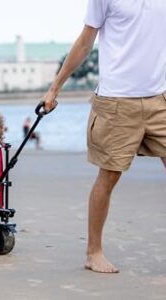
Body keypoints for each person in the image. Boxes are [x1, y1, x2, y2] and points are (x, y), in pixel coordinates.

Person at [42, 0, 166, 273]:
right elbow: (85, 43)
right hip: (116, 102)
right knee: (109, 175)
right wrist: (54, 89)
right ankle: (93, 252)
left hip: (160, 100)